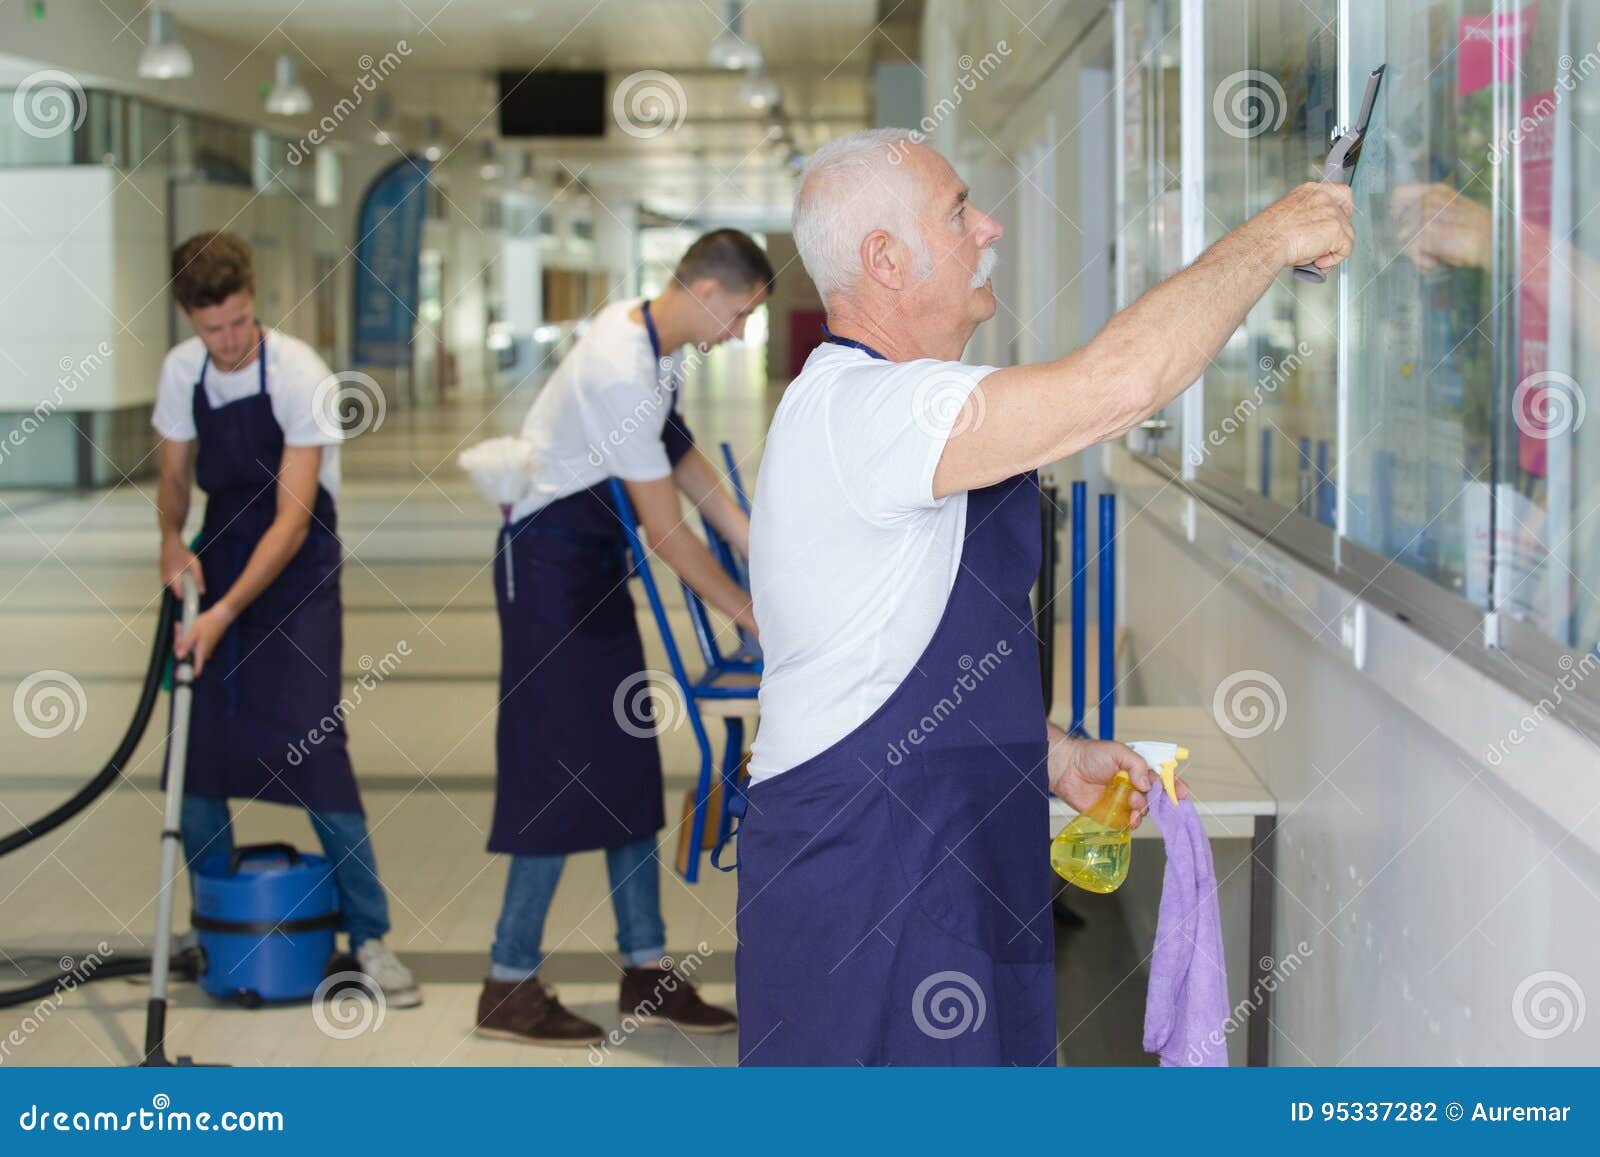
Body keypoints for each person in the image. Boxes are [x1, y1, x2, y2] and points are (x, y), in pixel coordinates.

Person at [738, 127, 1354, 1065]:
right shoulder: (870, 409)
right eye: (958, 212)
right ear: (885, 260)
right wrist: (1274, 235)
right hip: (868, 872)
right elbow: (1121, 385)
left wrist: (1051, 752)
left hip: (956, 848)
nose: (989, 226)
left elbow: (895, 641)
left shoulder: (902, 403)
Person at [474, 230, 771, 1047]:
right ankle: (506, 980)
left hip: (590, 567)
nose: (740, 333)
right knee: (558, 773)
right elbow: (667, 533)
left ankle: (646, 969)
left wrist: (758, 544)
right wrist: (752, 613)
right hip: (546, 572)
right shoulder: (618, 364)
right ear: (706, 292)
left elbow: (683, 457)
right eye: (740, 315)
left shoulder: (654, 345)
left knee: (627, 767)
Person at [153, 232, 419, 1007]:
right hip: (219, 556)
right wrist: (170, 538)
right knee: (195, 752)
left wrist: (226, 612)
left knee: (314, 743)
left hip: (296, 572)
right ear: (189, 317)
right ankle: (217, 919)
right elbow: (175, 478)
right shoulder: (183, 371)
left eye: (239, 322)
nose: (229, 341)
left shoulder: (299, 371)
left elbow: (294, 518)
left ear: (253, 301)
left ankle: (369, 935)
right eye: (213, 328)